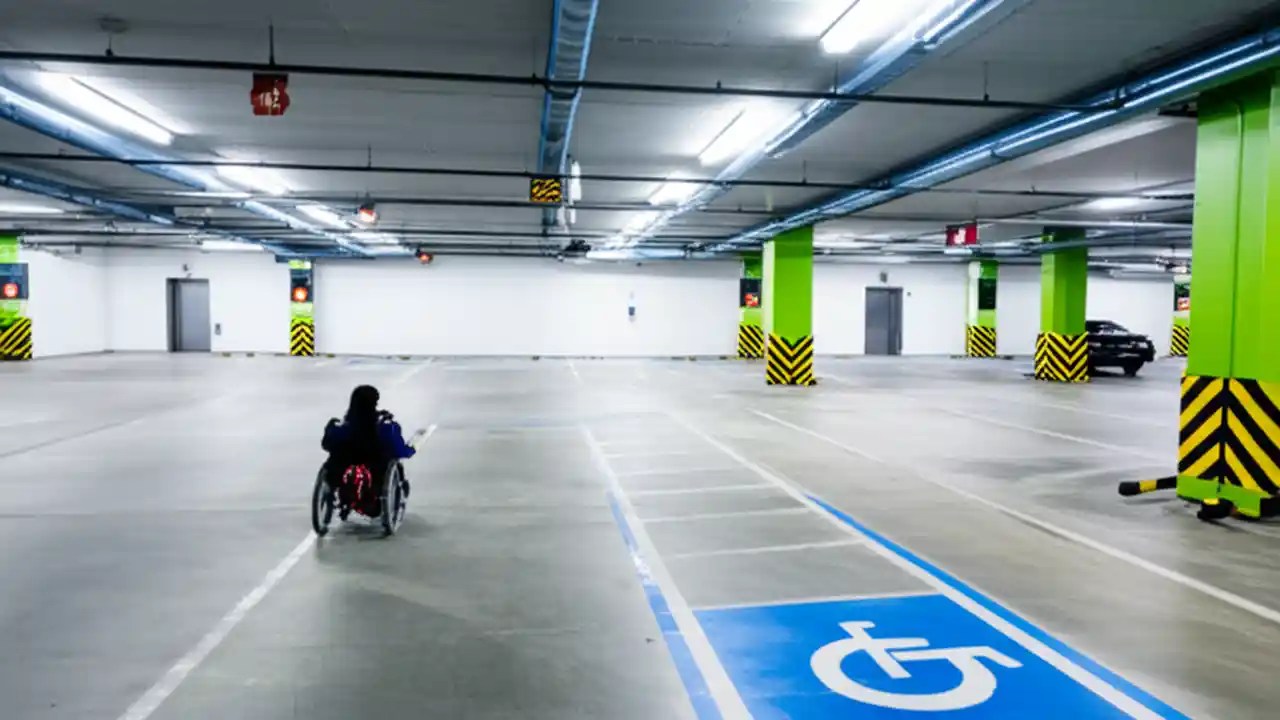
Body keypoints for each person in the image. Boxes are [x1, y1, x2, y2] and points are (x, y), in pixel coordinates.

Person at [323, 385, 416, 497]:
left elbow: (327, 445)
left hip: (339, 473)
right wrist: (410, 450)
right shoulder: (384, 428)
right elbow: (398, 450)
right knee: (393, 460)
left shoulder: (340, 428)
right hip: (374, 477)